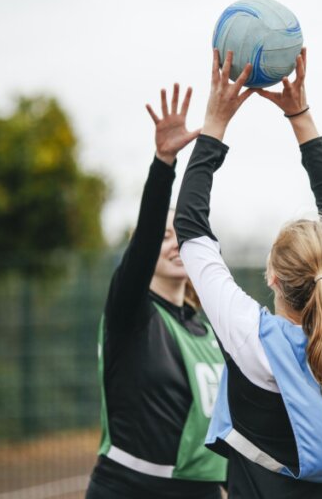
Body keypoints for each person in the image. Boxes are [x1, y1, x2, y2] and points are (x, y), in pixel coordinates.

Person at [173, 48, 322, 498]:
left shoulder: (257, 342)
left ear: (271, 275)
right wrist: (300, 116)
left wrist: (215, 121)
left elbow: (189, 227)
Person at [86, 85, 226, 499]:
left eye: (181, 234)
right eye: (165, 237)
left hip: (201, 491)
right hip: (130, 489)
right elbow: (144, 240)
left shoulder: (209, 331)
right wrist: (165, 163)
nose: (175, 243)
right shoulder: (131, 314)